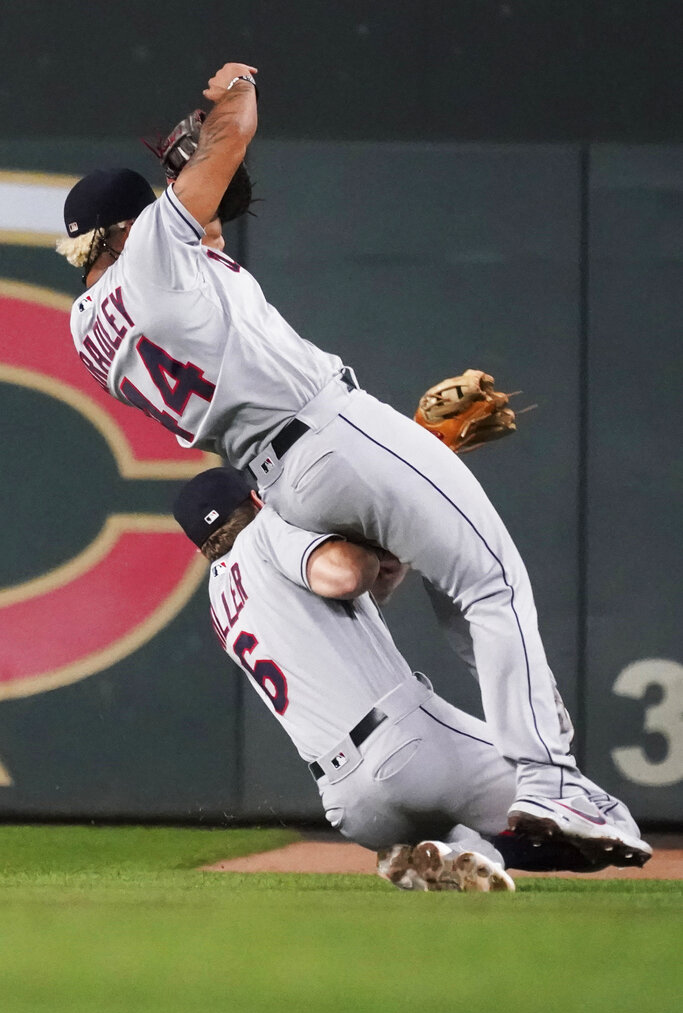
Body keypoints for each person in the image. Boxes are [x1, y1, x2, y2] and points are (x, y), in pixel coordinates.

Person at [56, 59, 651, 864]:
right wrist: (237, 94)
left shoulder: (88, 331)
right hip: (323, 426)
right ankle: (546, 779)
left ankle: (518, 798)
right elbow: (226, 149)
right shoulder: (151, 254)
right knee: (493, 582)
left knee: (461, 583)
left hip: (280, 477)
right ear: (129, 228)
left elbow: (192, 267)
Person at [171, 466, 651, 889]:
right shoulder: (267, 532)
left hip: (351, 806)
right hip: (408, 744)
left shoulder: (220, 602)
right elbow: (343, 577)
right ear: (256, 499)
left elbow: (360, 589)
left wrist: (377, 536)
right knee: (596, 816)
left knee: (466, 828)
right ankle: (485, 854)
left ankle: (447, 850)